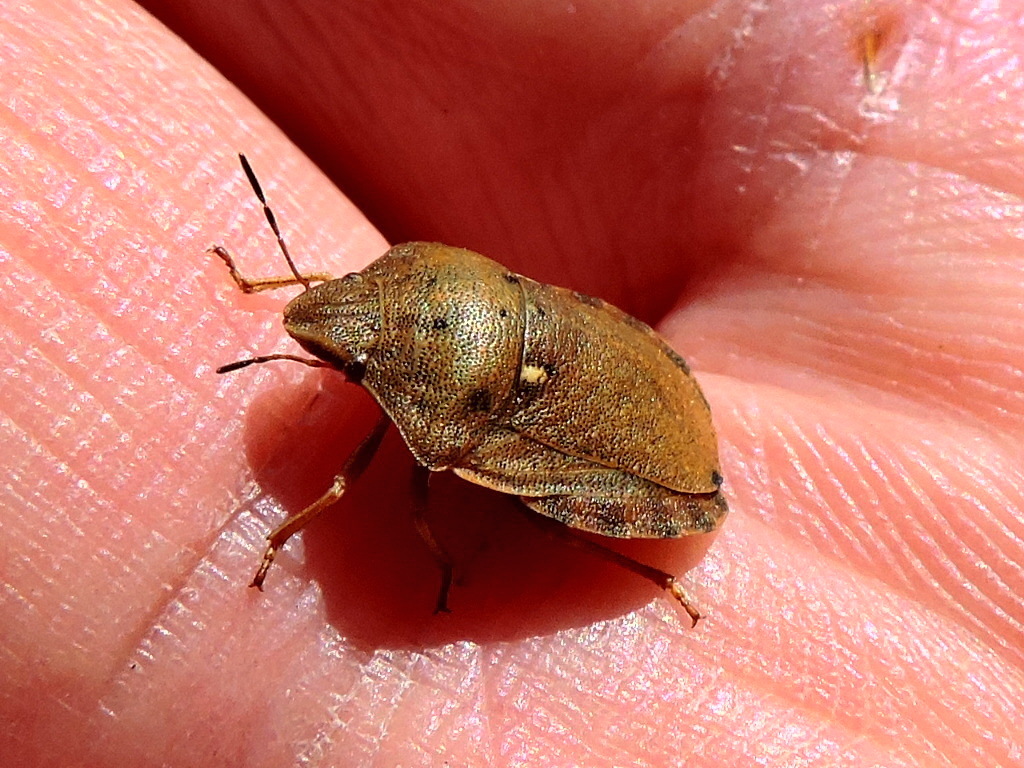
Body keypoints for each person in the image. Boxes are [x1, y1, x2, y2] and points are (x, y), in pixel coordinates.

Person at [2, 1, 1020, 765]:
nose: (322, 336)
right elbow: (348, 305)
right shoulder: (417, 296)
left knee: (505, 514)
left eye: (353, 363)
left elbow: (404, 506)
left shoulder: (437, 429)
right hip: (549, 337)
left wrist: (280, 541)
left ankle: (651, 572)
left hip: (632, 450)